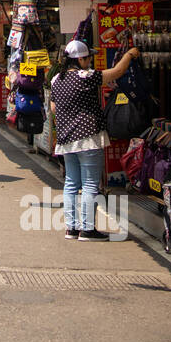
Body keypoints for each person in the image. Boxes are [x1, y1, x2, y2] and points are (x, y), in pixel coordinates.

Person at [49, 40, 141, 241]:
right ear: (80, 59)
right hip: (88, 137)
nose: (90, 60)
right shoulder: (86, 76)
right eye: (88, 57)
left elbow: (54, 108)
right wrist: (130, 55)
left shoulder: (56, 79)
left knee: (71, 183)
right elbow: (116, 72)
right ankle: (88, 229)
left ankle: (71, 228)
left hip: (66, 140)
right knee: (90, 183)